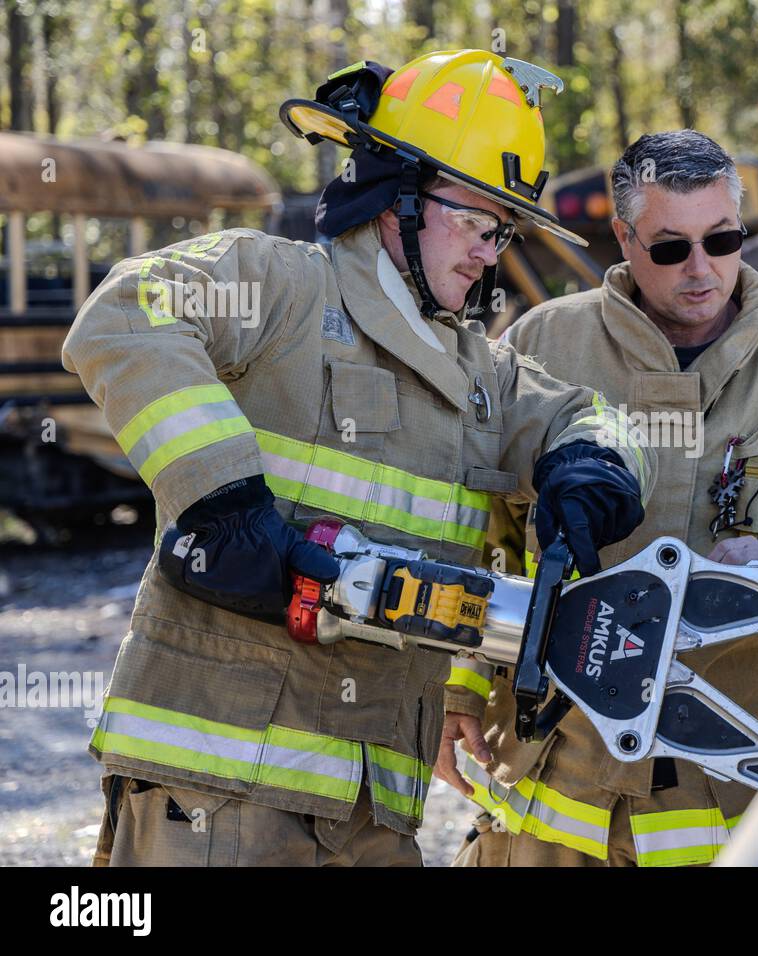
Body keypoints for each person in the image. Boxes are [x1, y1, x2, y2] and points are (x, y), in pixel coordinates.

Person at [63, 49, 654, 866]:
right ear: (398, 197)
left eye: (504, 229)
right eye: (479, 222)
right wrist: (222, 501)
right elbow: (124, 314)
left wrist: (592, 467)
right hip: (214, 793)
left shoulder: (480, 372)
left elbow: (595, 419)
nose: (491, 252)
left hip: (372, 815)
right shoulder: (285, 289)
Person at [440, 129, 758, 867]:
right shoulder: (540, 350)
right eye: (670, 247)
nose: (702, 270)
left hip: (736, 815)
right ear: (625, 238)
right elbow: (482, 539)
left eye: (723, 239)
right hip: (546, 806)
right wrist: (456, 693)